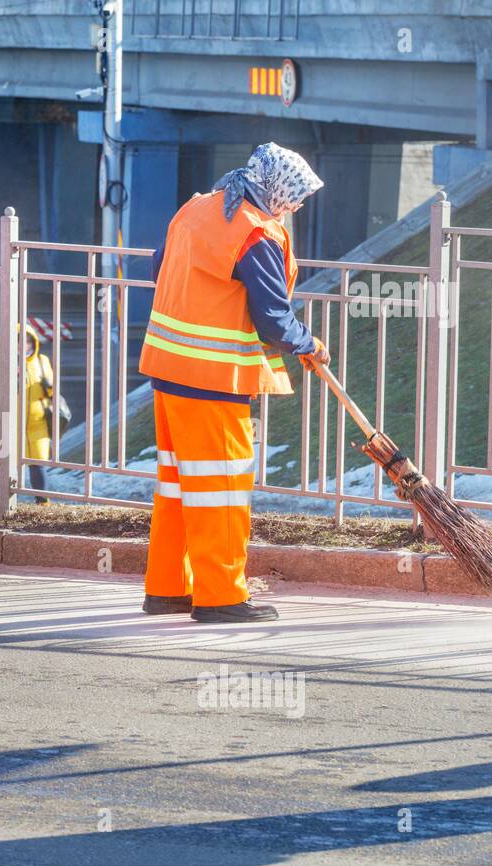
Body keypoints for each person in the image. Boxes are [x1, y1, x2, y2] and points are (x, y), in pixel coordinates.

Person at [140, 142, 330, 624]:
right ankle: (221, 596)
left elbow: (157, 267)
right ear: (277, 188)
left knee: (179, 489)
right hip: (213, 378)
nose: (299, 205)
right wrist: (308, 344)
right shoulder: (255, 234)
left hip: (168, 369)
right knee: (220, 491)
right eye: (297, 195)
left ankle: (167, 588)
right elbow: (272, 319)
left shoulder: (198, 207)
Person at [21, 325, 59, 503]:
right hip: (9, 421)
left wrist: (49, 386)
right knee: (3, 463)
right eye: (20, 340)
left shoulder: (42, 361)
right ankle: (0, 500)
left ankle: (42, 502)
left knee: (38, 462)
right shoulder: (3, 360)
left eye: (28, 340)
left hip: (38, 422)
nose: (24, 344)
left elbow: (52, 391)